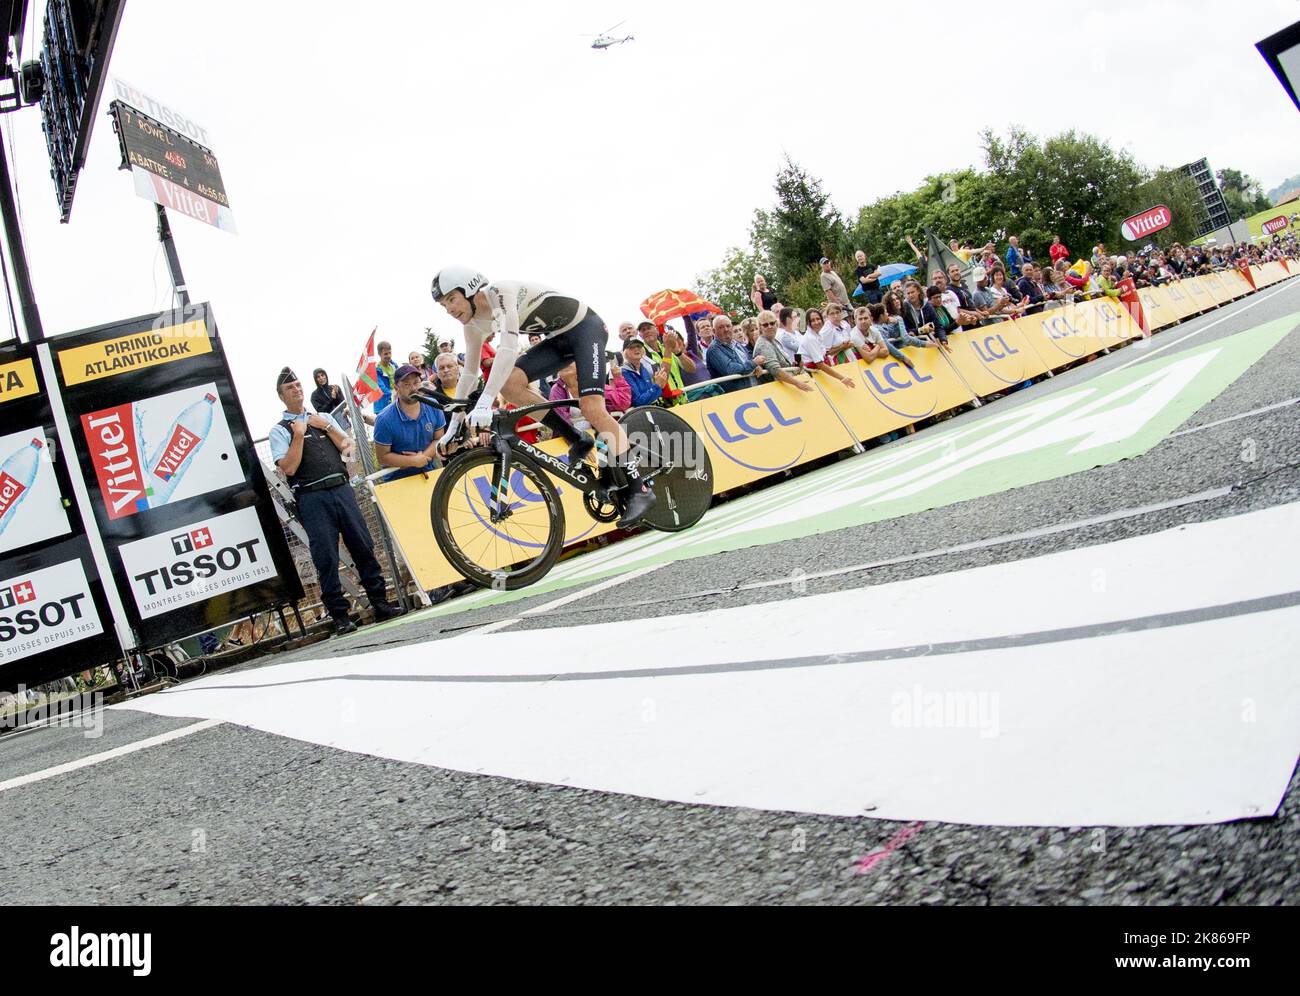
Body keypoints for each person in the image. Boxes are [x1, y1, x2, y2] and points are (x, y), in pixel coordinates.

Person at [430, 266, 656, 528]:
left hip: (586, 329)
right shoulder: (472, 326)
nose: (449, 309)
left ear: (469, 290)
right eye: (443, 305)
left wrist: (483, 402)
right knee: (511, 385)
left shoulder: (499, 293)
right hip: (559, 339)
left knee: (592, 408)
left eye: (451, 300)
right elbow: (468, 375)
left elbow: (507, 348)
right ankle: (576, 437)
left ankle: (640, 487)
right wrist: (454, 425)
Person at [270, 368, 402, 635]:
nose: (296, 389)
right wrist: (298, 435)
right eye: (289, 388)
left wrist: (328, 427)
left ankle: (380, 603)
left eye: (298, 384)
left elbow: (349, 446)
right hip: (312, 497)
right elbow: (289, 468)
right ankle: (340, 615)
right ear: (281, 396)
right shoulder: (280, 430)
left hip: (341, 489)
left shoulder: (324, 417)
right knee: (326, 557)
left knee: (363, 545)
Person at [374, 364, 446, 480]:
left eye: (416, 382)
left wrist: (422, 458)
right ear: (396, 387)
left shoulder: (433, 405)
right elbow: (382, 457)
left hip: (428, 473)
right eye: (407, 384)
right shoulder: (384, 419)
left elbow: (438, 438)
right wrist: (411, 461)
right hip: (397, 480)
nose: (413, 388)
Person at [753, 311, 813, 391]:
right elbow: (775, 369)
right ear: (760, 327)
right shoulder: (763, 344)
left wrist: (793, 366)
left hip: (785, 386)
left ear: (776, 324)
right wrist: (798, 383)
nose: (769, 326)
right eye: (765, 325)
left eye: (772, 323)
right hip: (776, 389)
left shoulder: (774, 340)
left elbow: (782, 366)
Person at [705, 316, 758, 393]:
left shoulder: (736, 343)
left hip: (755, 390)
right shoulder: (714, 349)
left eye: (728, 326)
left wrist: (756, 366)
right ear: (714, 331)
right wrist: (754, 363)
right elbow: (731, 369)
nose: (726, 329)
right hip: (738, 397)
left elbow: (749, 358)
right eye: (721, 327)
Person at [621, 335, 668, 406]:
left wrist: (660, 386)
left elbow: (655, 394)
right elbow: (638, 402)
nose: (636, 349)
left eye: (639, 346)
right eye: (631, 347)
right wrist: (657, 385)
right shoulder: (624, 372)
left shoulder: (643, 368)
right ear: (625, 352)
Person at [374, 341, 397, 413]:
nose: (389, 356)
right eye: (386, 354)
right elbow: (381, 388)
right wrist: (395, 395)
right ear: (380, 354)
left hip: (395, 400)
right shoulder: (376, 370)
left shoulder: (394, 366)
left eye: (390, 353)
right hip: (383, 404)